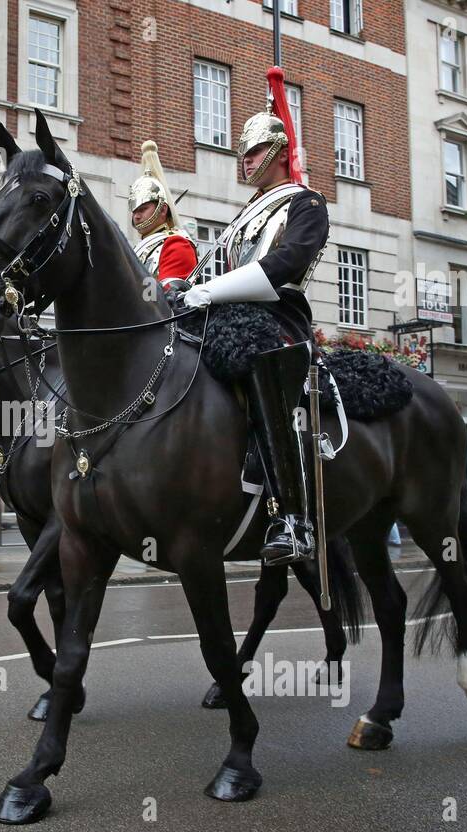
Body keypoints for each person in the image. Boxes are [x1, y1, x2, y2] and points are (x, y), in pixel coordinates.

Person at [182, 67, 328, 566]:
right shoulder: (242, 215)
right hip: (226, 316)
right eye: (241, 153)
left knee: (262, 362)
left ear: (280, 151)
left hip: (278, 318)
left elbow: (283, 266)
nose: (243, 161)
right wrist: (186, 289)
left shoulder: (307, 204)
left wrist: (206, 293)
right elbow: (210, 269)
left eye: (253, 151)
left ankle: (293, 517)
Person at [129, 141, 199, 290]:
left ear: (162, 210)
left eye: (143, 209)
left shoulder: (177, 244)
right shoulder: (139, 248)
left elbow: (165, 301)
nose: (136, 216)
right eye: (134, 210)